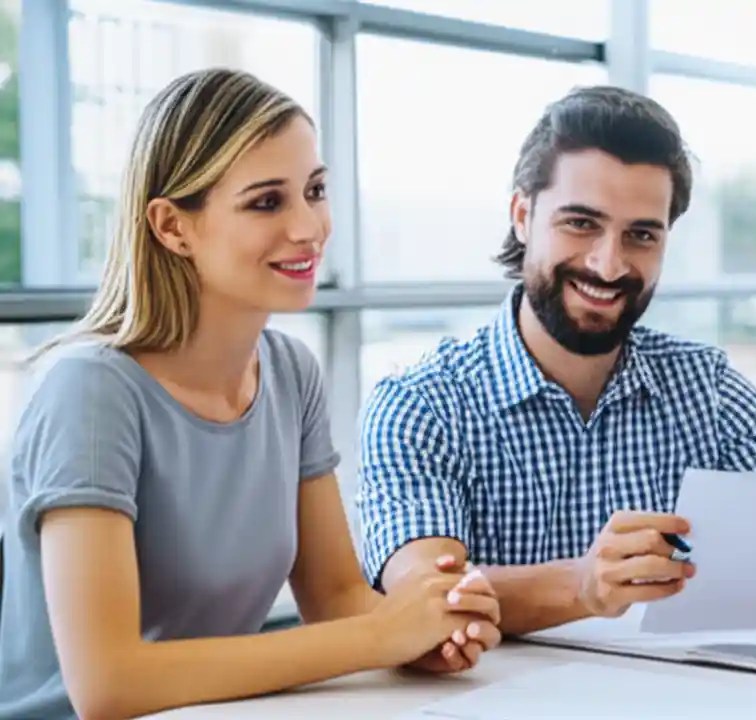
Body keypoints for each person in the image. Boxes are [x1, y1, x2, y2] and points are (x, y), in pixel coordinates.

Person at [358, 85, 756, 637]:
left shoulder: (708, 389)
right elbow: (423, 597)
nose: (609, 264)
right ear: (522, 215)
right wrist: (583, 585)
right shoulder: (421, 405)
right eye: (580, 223)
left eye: (641, 235)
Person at [0, 69, 500, 720]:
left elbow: (336, 595)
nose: (309, 227)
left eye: (314, 191)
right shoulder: (91, 391)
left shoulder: (290, 372)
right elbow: (107, 682)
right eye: (267, 202)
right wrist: (378, 635)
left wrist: (425, 631)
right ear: (172, 227)